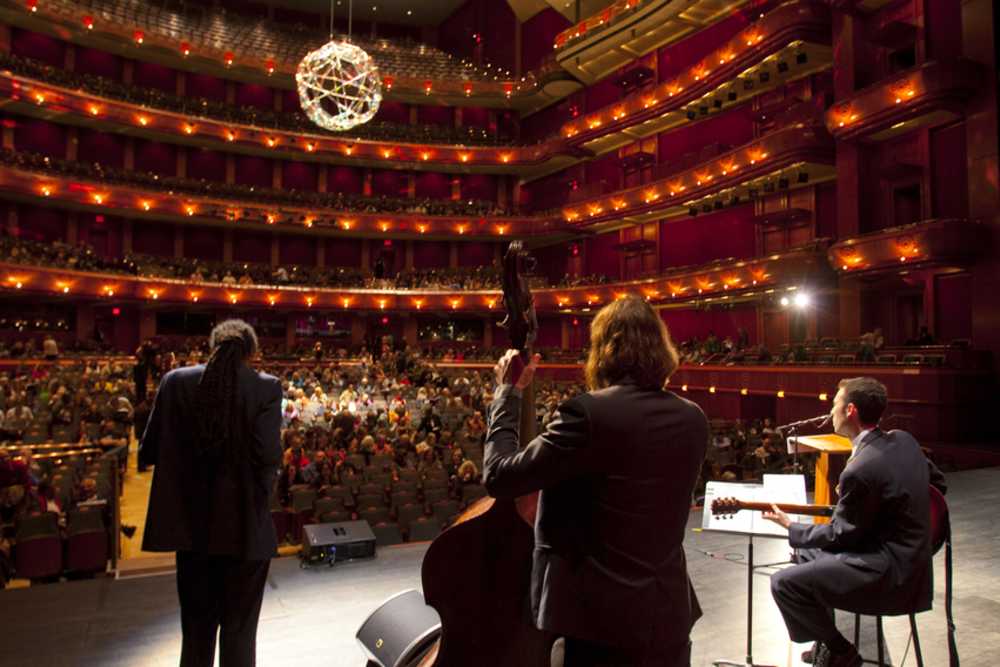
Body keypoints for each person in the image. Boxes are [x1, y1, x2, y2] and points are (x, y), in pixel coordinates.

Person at [483, 296, 707, 667]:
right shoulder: (693, 419)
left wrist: (507, 393)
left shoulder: (587, 414)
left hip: (601, 625)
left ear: (606, 349)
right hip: (668, 614)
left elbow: (500, 475)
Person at [763, 377, 947, 667]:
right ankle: (824, 641)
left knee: (783, 583)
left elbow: (839, 534)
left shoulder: (860, 469)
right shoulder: (904, 440)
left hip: (890, 572)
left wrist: (790, 526)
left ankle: (840, 651)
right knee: (805, 553)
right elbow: (938, 484)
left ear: (850, 411)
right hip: (914, 560)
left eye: (834, 405)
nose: (830, 412)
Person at [139, 320, 282, 667]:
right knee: (239, 635)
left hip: (192, 533)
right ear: (251, 352)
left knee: (197, 634)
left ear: (212, 346)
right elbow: (268, 457)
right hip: (246, 533)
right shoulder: (265, 388)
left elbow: (149, 451)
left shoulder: (174, 383)